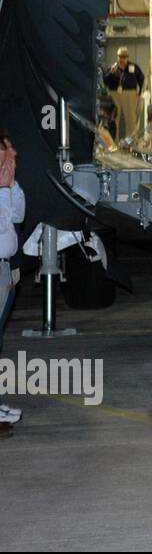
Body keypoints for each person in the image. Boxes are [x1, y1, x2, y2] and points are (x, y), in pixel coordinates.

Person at [0, 133, 25, 428]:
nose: (13, 154)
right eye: (7, 150)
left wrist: (11, 184)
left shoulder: (6, 186)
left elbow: (19, 214)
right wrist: (4, 189)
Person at [103, 47, 145, 142]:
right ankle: (113, 143)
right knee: (113, 118)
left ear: (128, 57)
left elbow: (141, 79)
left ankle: (131, 143)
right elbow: (105, 81)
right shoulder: (112, 68)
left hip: (130, 94)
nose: (122, 59)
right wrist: (111, 73)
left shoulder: (133, 67)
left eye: (125, 57)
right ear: (117, 57)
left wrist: (139, 93)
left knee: (130, 118)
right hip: (114, 94)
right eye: (120, 57)